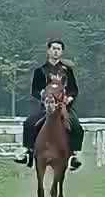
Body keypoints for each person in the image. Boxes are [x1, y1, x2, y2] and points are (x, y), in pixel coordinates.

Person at [18, 38, 83, 168]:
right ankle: (28, 152)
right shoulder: (40, 71)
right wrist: (43, 97)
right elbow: (35, 90)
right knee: (29, 123)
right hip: (45, 107)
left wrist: (69, 98)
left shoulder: (67, 71)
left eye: (58, 49)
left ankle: (74, 155)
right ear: (48, 51)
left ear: (62, 52)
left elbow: (73, 90)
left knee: (77, 127)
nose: (56, 51)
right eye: (53, 48)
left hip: (63, 107)